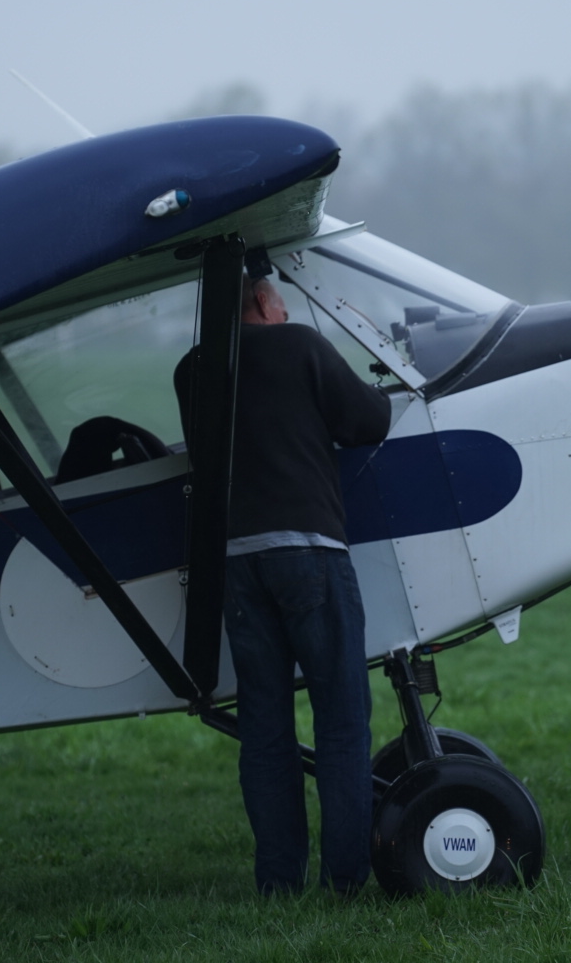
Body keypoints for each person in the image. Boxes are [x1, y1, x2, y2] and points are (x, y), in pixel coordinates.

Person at [174, 273, 391, 896]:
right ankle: (345, 880)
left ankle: (278, 882)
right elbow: (369, 420)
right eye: (281, 298)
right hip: (310, 552)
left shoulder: (191, 370)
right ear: (266, 303)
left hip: (236, 564)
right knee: (342, 720)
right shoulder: (300, 345)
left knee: (265, 727)